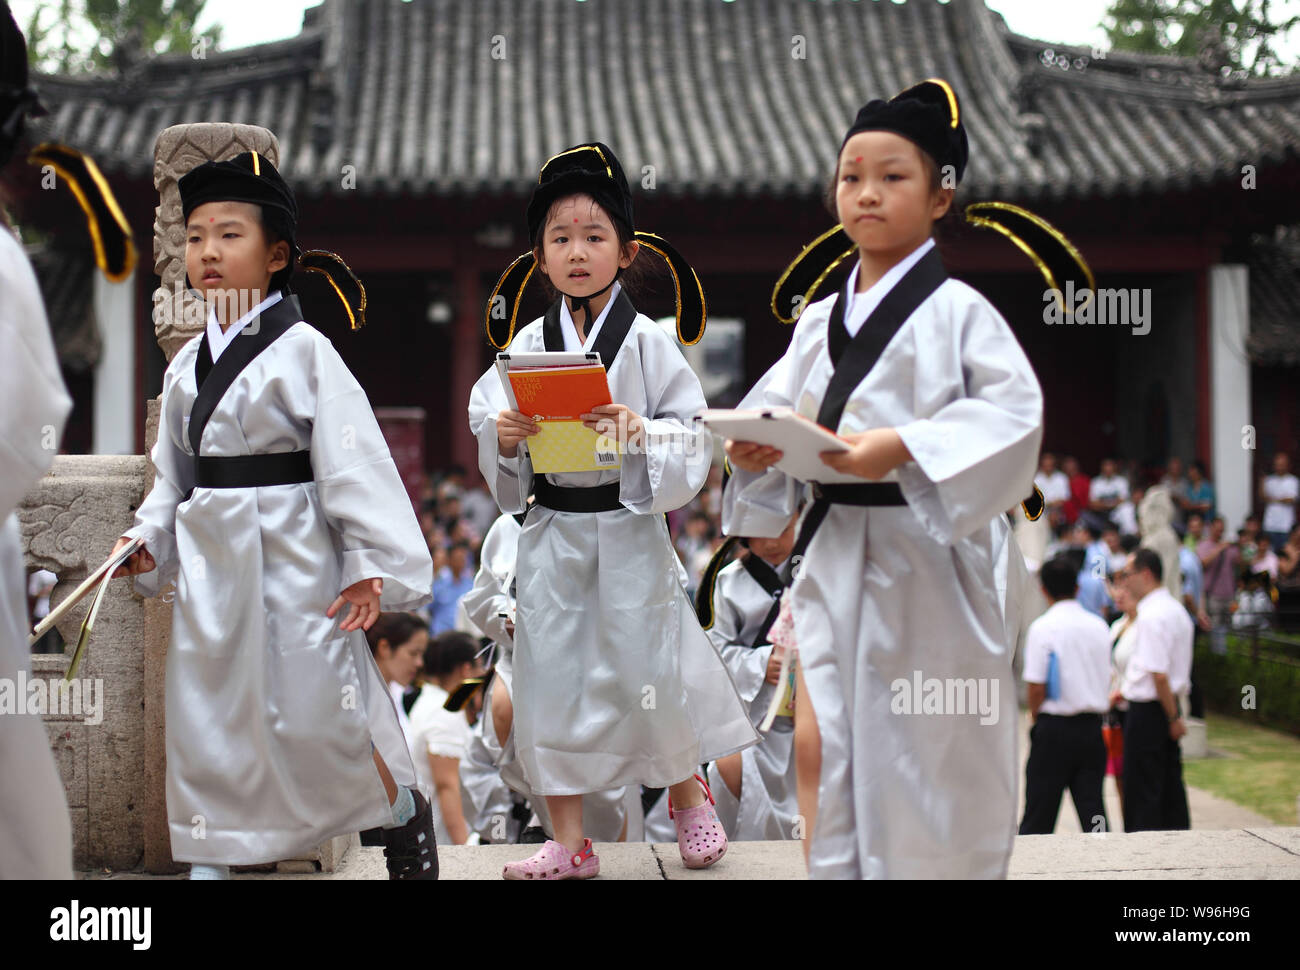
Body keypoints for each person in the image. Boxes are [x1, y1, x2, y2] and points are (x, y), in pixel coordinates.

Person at [723, 80, 1068, 878]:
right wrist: (754, 449)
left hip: (929, 555)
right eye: (851, 176)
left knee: (927, 748)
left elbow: (1015, 418)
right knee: (830, 740)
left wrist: (905, 445)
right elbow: (776, 407)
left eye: (893, 175)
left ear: (943, 193)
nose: (867, 193)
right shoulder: (818, 320)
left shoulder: (960, 313)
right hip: (837, 547)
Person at [108, 151, 437, 880]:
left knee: (321, 716)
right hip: (212, 560)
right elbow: (172, 479)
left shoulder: (307, 352)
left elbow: (353, 468)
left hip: (297, 555)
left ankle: (402, 812)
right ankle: (214, 857)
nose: (208, 253)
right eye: (194, 237)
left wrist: (368, 568)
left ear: (277, 253)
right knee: (209, 714)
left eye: (229, 235)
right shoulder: (185, 366)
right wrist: (145, 539)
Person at [469, 142, 757, 879]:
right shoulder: (528, 345)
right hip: (553, 531)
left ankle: (691, 801)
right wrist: (503, 438)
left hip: (626, 528)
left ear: (626, 252)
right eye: (559, 239)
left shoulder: (653, 344)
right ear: (539, 257)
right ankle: (569, 840)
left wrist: (643, 433)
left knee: (645, 668)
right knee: (550, 677)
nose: (576, 252)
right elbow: (490, 419)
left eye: (595, 237)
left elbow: (692, 432)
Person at [698, 512, 801, 841]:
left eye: (782, 528)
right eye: (760, 529)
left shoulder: (819, 574)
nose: (771, 542)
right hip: (753, 720)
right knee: (727, 766)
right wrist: (761, 662)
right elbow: (712, 654)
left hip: (812, 717)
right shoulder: (728, 582)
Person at [1018, 557, 1112, 835]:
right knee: (1094, 811)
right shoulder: (1099, 626)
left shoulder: (1043, 628)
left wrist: (1035, 716)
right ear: (1077, 587)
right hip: (1092, 728)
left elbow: (1036, 686)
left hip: (1054, 729)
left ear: (1043, 589)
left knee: (1039, 813)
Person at [1117, 549, 1193, 832]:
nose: (1123, 581)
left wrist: (1173, 719)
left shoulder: (1151, 614)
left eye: (1127, 574)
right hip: (1165, 705)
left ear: (1145, 574)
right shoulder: (1175, 609)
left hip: (1152, 709)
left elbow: (1158, 675)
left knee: (1143, 790)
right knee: (1169, 784)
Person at [407, 631, 481, 846]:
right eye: (479, 666)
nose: (483, 672)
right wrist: (464, 851)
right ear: (466, 669)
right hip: (444, 841)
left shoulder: (432, 702)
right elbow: (446, 785)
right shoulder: (444, 711)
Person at [365, 612, 431, 797]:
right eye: (413, 653)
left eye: (421, 655)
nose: (419, 663)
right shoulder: (361, 698)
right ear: (384, 647)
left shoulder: (396, 694)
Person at [1197, 516, 1239, 635]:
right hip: (1213, 594)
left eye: (1222, 530)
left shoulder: (1229, 546)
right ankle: (1216, 653)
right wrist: (1219, 548)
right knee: (1215, 628)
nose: (1220, 532)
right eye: (1217, 529)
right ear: (1211, 529)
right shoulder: (1204, 545)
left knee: (1230, 628)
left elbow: (1240, 563)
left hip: (1229, 594)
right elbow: (1202, 564)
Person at [428, 541, 475, 634]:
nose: (461, 562)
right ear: (449, 560)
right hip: (441, 633)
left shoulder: (470, 584)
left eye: (463, 558)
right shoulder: (439, 583)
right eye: (457, 558)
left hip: (463, 633)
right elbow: (426, 610)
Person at [1261, 452, 1297, 554]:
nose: (1279, 467)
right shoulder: (1269, 480)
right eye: (1277, 464)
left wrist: (1273, 499)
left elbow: (1290, 500)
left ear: (1287, 465)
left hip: (1286, 525)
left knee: (1284, 553)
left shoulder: (1293, 481)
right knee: (1269, 553)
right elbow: (1263, 497)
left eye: (1282, 464)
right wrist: (1261, 482)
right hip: (1270, 524)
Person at [1035, 452, 1071, 534]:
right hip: (1042, 512)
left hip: (1059, 511)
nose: (1048, 468)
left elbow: (1064, 499)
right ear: (1041, 466)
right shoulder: (1036, 479)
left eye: (1050, 465)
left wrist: (1050, 505)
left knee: (1056, 516)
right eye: (1046, 465)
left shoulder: (1062, 478)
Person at [1089, 458, 1129, 526]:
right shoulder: (1096, 482)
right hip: (1101, 513)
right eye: (1106, 468)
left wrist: (1104, 504)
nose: (1108, 470)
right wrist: (1111, 504)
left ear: (1114, 468)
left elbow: (1123, 500)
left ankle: (1128, 533)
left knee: (1127, 508)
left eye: (1110, 468)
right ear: (1102, 469)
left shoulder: (1121, 481)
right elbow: (1093, 503)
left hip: (1117, 511)